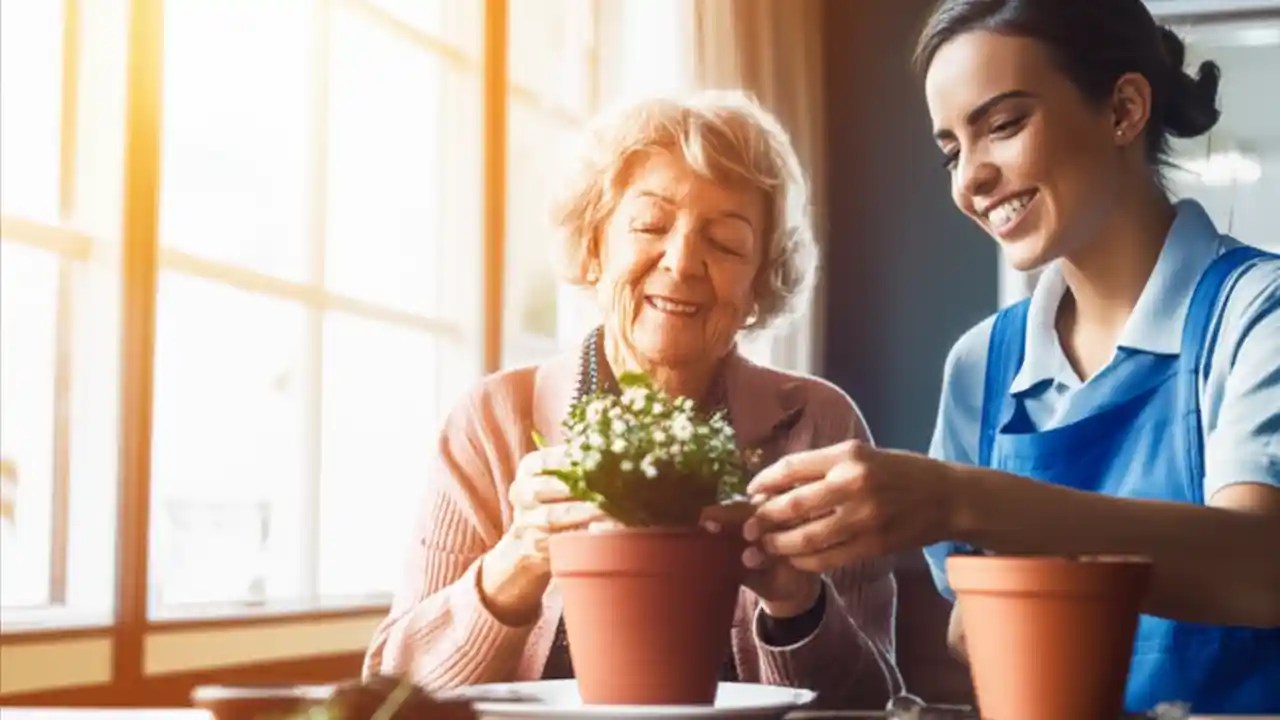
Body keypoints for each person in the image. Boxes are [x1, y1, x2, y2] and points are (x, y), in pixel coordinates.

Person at [741, 0, 1280, 713]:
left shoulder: (1255, 311)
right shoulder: (981, 365)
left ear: (1123, 109)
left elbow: (1263, 566)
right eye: (950, 151)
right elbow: (968, 625)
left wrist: (960, 500)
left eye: (1001, 126)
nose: (970, 179)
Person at [363, 90, 902, 708]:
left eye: (725, 243)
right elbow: (394, 696)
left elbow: (873, 703)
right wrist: (515, 563)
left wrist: (796, 605)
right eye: (649, 225)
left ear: (760, 282)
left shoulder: (820, 426)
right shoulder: (490, 423)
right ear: (594, 247)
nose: (682, 262)